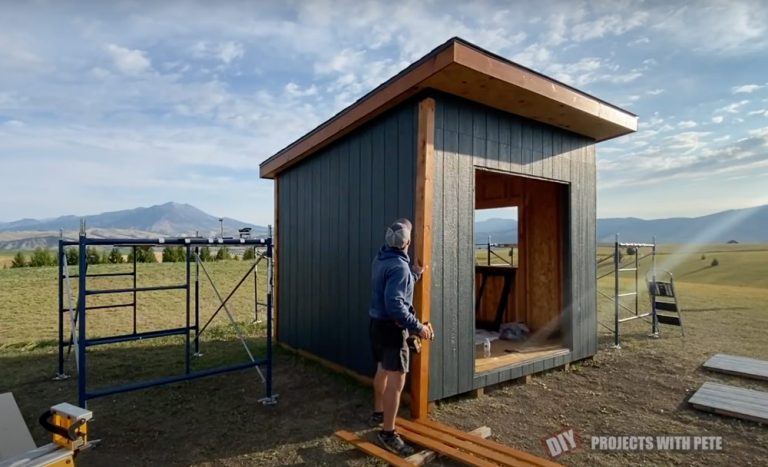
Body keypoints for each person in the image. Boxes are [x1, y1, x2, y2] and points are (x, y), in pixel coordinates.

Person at [368, 218, 434, 456]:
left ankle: (378, 412)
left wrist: (414, 276)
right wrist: (418, 327)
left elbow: (394, 285)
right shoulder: (400, 268)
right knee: (397, 382)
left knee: (382, 370)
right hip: (392, 329)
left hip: (376, 324)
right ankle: (387, 432)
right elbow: (395, 303)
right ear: (407, 243)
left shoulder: (381, 259)